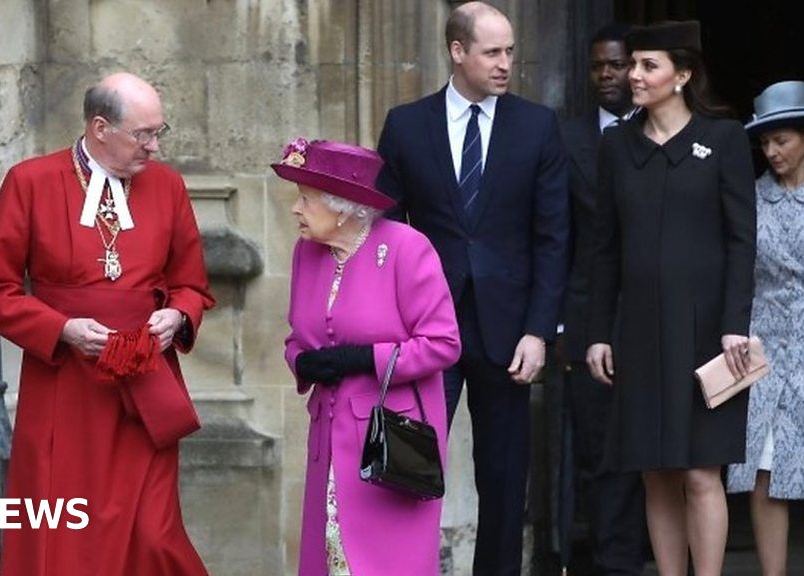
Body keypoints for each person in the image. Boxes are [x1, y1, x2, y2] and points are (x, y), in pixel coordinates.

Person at [0, 72, 214, 576]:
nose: (154, 146)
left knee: (155, 537)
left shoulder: (167, 186)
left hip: (146, 385)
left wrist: (177, 316)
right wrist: (61, 329)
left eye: (158, 132)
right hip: (66, 388)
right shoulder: (31, 182)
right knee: (68, 539)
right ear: (100, 128)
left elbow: (192, 285)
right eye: (143, 134)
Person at [376, 2, 568, 573]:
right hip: (426, 331)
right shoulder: (406, 125)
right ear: (457, 52)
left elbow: (553, 238)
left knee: (505, 482)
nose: (506, 63)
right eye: (492, 52)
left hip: (509, 334)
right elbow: (384, 231)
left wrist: (539, 331)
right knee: (407, 469)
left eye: (510, 51)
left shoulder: (537, 126)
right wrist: (392, 320)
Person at [585, 21, 756, 576]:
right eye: (632, 64)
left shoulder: (724, 139)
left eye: (647, 65)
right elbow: (604, 248)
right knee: (653, 470)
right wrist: (598, 333)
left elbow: (742, 240)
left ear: (682, 75)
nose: (632, 75)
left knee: (702, 471)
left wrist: (734, 323)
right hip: (637, 332)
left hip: (708, 332)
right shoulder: (616, 146)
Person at [276, 138, 460, 575]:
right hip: (328, 437)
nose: (296, 209)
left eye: (306, 199)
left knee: (384, 562)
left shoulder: (405, 248)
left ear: (341, 207)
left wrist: (365, 359)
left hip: (388, 444)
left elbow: (443, 343)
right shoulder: (307, 252)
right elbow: (297, 337)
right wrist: (301, 362)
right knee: (329, 556)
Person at [558, 23, 646, 575]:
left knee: (660, 450)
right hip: (589, 314)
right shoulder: (566, 137)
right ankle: (614, 563)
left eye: (617, 64)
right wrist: (559, 323)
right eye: (598, 66)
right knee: (597, 452)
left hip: (656, 314)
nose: (607, 74)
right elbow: (556, 234)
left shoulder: (664, 131)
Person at [725, 80, 804, 576]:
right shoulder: (750, 198)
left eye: (781, 140)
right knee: (764, 467)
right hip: (763, 348)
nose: (772, 151)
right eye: (765, 142)